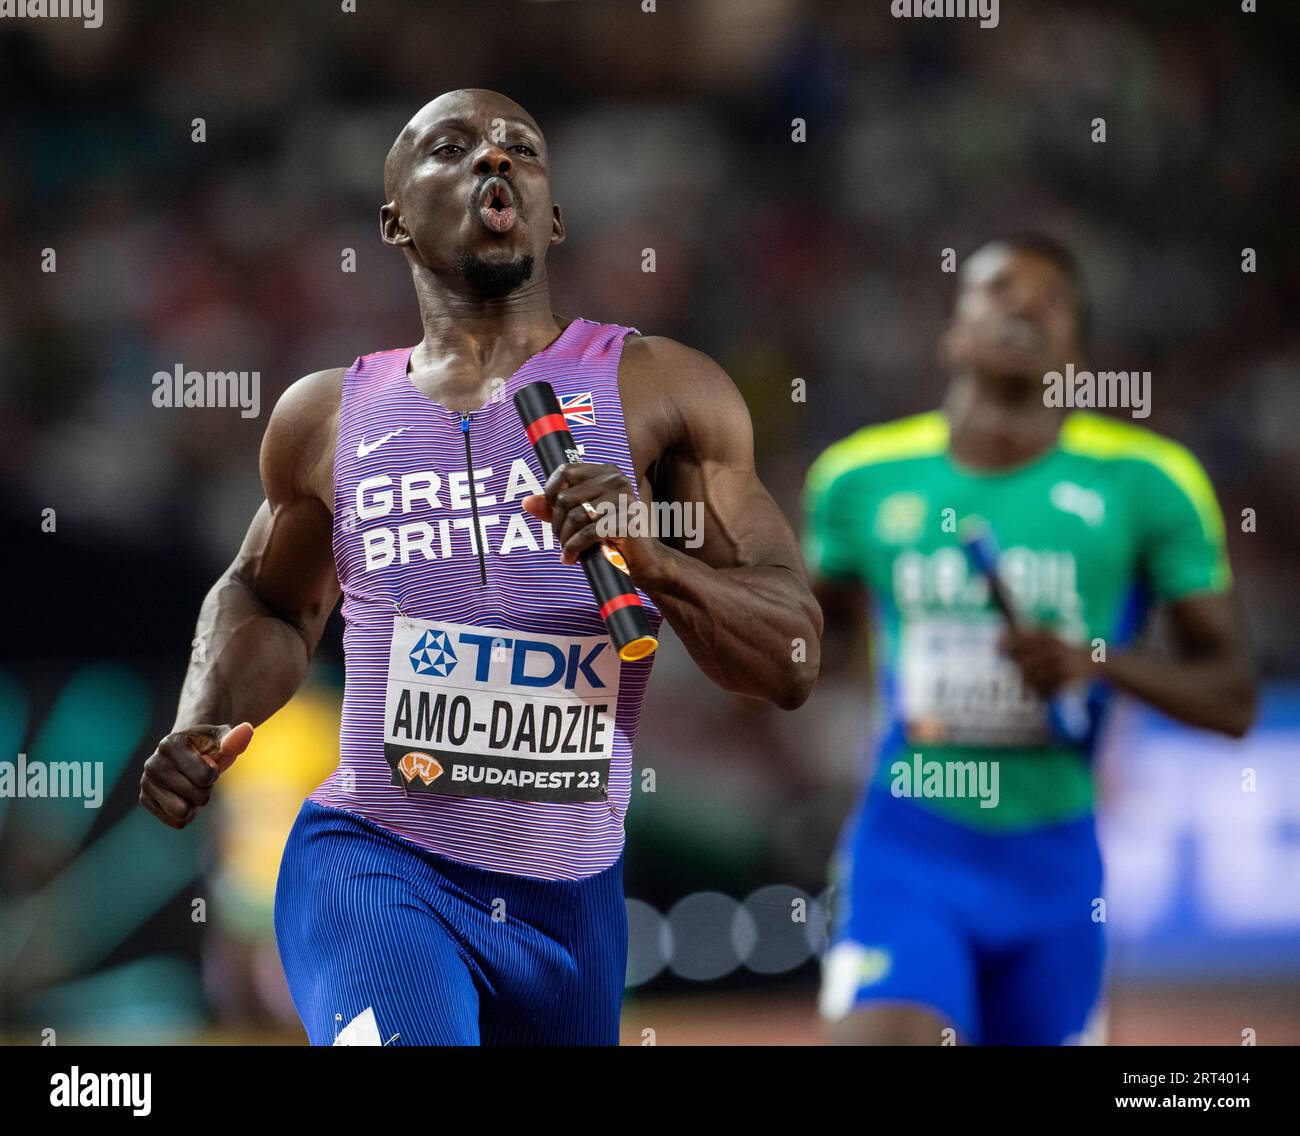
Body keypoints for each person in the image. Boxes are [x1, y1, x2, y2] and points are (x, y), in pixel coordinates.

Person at [139, 88, 821, 1046]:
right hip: (377, 866)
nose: (492, 160)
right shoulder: (328, 416)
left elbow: (790, 658)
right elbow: (267, 598)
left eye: (519, 149)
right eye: (451, 148)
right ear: (394, 221)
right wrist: (203, 719)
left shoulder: (664, 391)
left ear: (553, 214)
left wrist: (651, 555)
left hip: (572, 915)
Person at [806, 236, 1256, 1045]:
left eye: (1052, 300)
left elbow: (1232, 699)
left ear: (1077, 355)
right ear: (953, 331)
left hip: (1057, 872)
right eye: (999, 288)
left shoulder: (1151, 482)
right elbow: (807, 651)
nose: (1024, 304)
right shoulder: (858, 479)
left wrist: (1091, 661)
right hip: (908, 851)